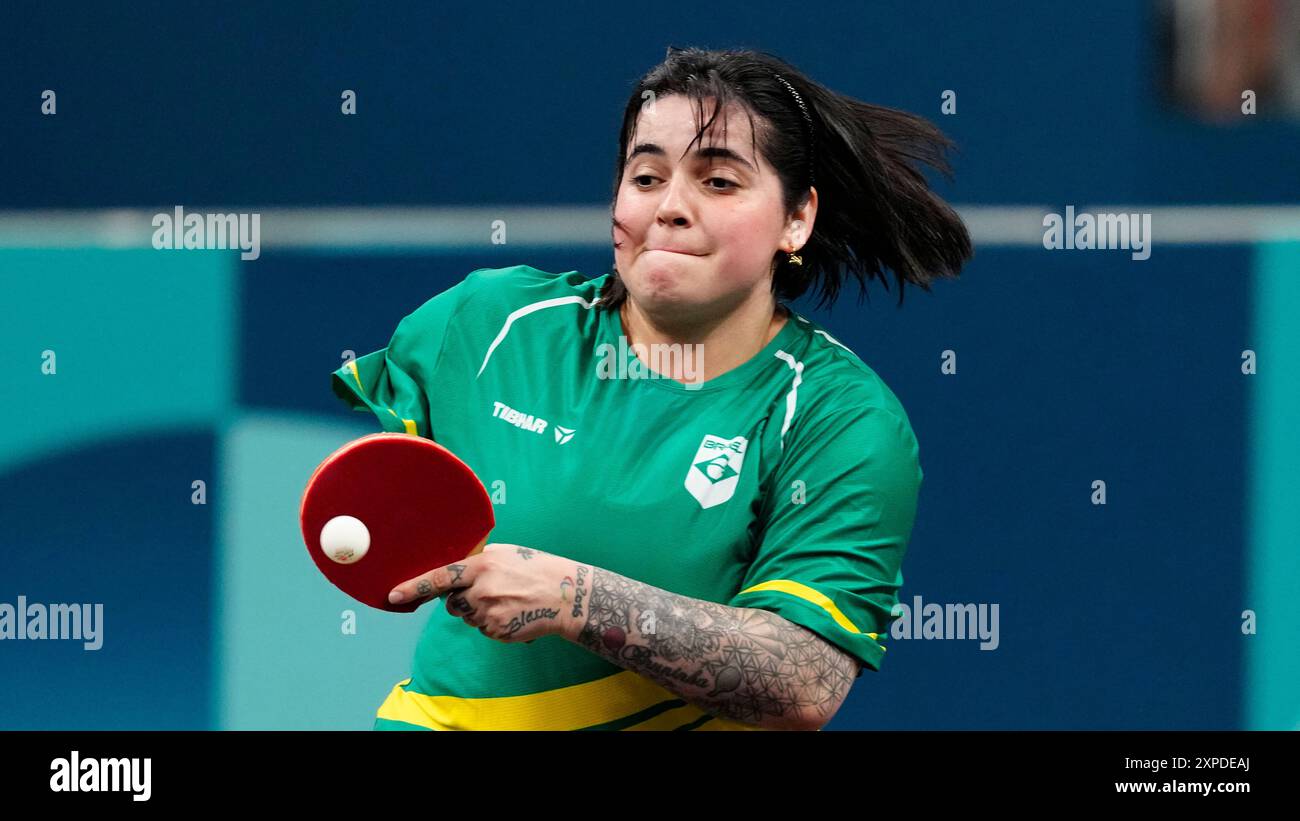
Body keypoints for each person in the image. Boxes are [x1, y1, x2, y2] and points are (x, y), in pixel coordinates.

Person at [331, 46, 971, 731]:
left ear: (797, 219)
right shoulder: (491, 324)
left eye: (718, 181)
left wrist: (577, 598)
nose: (670, 207)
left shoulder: (836, 416)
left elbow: (803, 677)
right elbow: (392, 494)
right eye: (645, 177)